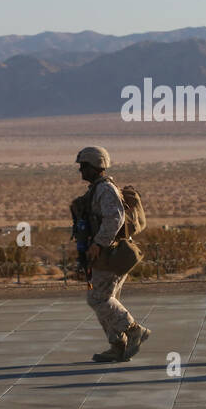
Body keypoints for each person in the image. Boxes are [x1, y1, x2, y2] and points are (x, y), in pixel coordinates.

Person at [74, 146, 150, 363]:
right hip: (104, 253)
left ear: (95, 166)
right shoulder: (97, 189)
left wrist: (98, 243)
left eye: (84, 166)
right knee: (106, 300)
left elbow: (114, 219)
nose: (81, 170)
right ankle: (118, 345)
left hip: (111, 254)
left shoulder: (105, 189)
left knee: (98, 297)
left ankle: (133, 330)